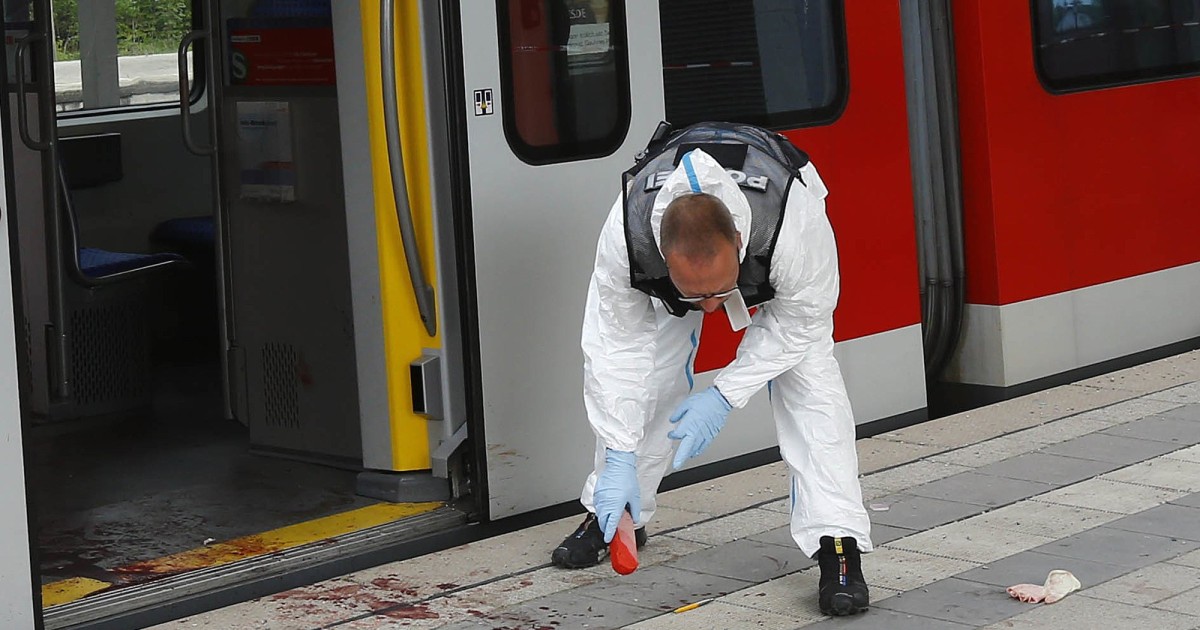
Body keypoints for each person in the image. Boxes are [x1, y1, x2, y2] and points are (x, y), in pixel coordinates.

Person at [549, 122, 872, 616]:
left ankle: (838, 543)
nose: (711, 310)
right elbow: (614, 349)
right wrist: (617, 452)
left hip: (783, 249)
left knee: (810, 382)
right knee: (652, 372)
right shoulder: (627, 234)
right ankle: (613, 514)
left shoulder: (790, 219)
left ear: (740, 241)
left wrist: (724, 394)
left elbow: (803, 321)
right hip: (678, 267)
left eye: (721, 293)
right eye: (694, 295)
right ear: (662, 253)